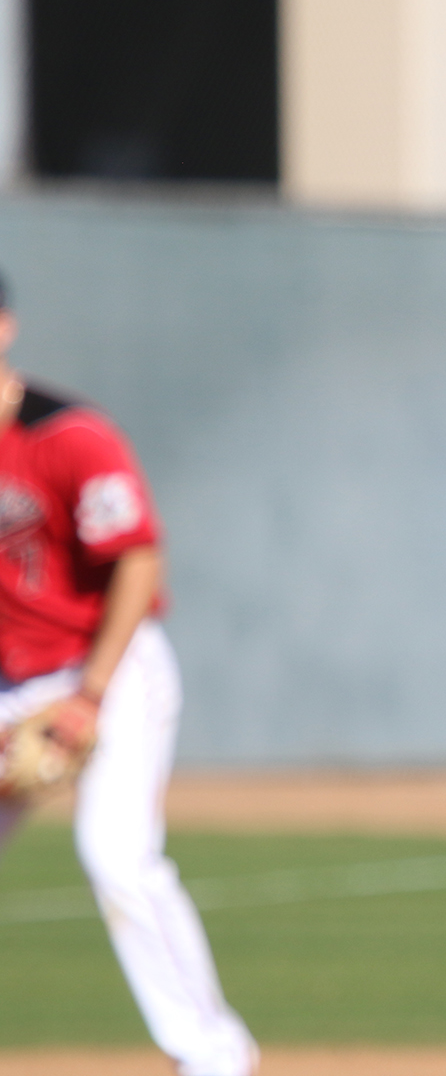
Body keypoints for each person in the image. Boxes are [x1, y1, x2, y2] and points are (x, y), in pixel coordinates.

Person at [0, 278, 256, 1076]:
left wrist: (89, 698)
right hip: (12, 679)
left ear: (4, 327)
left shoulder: (68, 435)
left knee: (116, 855)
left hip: (109, 664)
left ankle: (213, 1055)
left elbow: (138, 563)